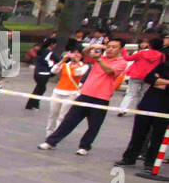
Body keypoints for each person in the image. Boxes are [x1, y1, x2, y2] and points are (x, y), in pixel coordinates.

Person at [39, 38, 128, 155]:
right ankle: (51, 142)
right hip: (85, 94)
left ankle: (85, 147)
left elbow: (109, 71)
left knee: (94, 125)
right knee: (69, 120)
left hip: (102, 97)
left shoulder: (121, 62)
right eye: (109, 46)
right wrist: (93, 46)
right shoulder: (101, 57)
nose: (110, 49)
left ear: (121, 49)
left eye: (114, 47)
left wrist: (99, 59)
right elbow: (85, 53)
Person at [116, 37, 169, 168]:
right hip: (148, 101)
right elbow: (149, 78)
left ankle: (150, 162)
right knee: (138, 132)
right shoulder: (164, 64)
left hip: (165, 107)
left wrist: (160, 81)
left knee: (157, 137)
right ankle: (129, 157)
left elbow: (156, 80)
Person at [45, 47, 88, 136]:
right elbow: (53, 71)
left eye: (78, 53)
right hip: (58, 91)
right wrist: (63, 60)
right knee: (53, 113)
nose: (76, 55)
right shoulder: (65, 64)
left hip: (71, 93)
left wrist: (76, 63)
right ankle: (49, 132)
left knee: (62, 116)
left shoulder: (84, 66)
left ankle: (56, 134)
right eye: (74, 53)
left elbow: (77, 73)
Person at [118, 38, 165, 116]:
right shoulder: (161, 56)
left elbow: (127, 58)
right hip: (149, 77)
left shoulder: (142, 53)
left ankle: (122, 109)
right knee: (143, 94)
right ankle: (139, 110)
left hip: (136, 75)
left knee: (130, 93)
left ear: (150, 45)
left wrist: (123, 50)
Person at [24, 36, 55, 110]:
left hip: (37, 72)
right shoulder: (49, 53)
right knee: (40, 89)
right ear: (52, 44)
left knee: (40, 88)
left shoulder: (41, 51)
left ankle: (32, 104)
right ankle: (33, 104)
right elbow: (55, 60)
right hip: (44, 73)